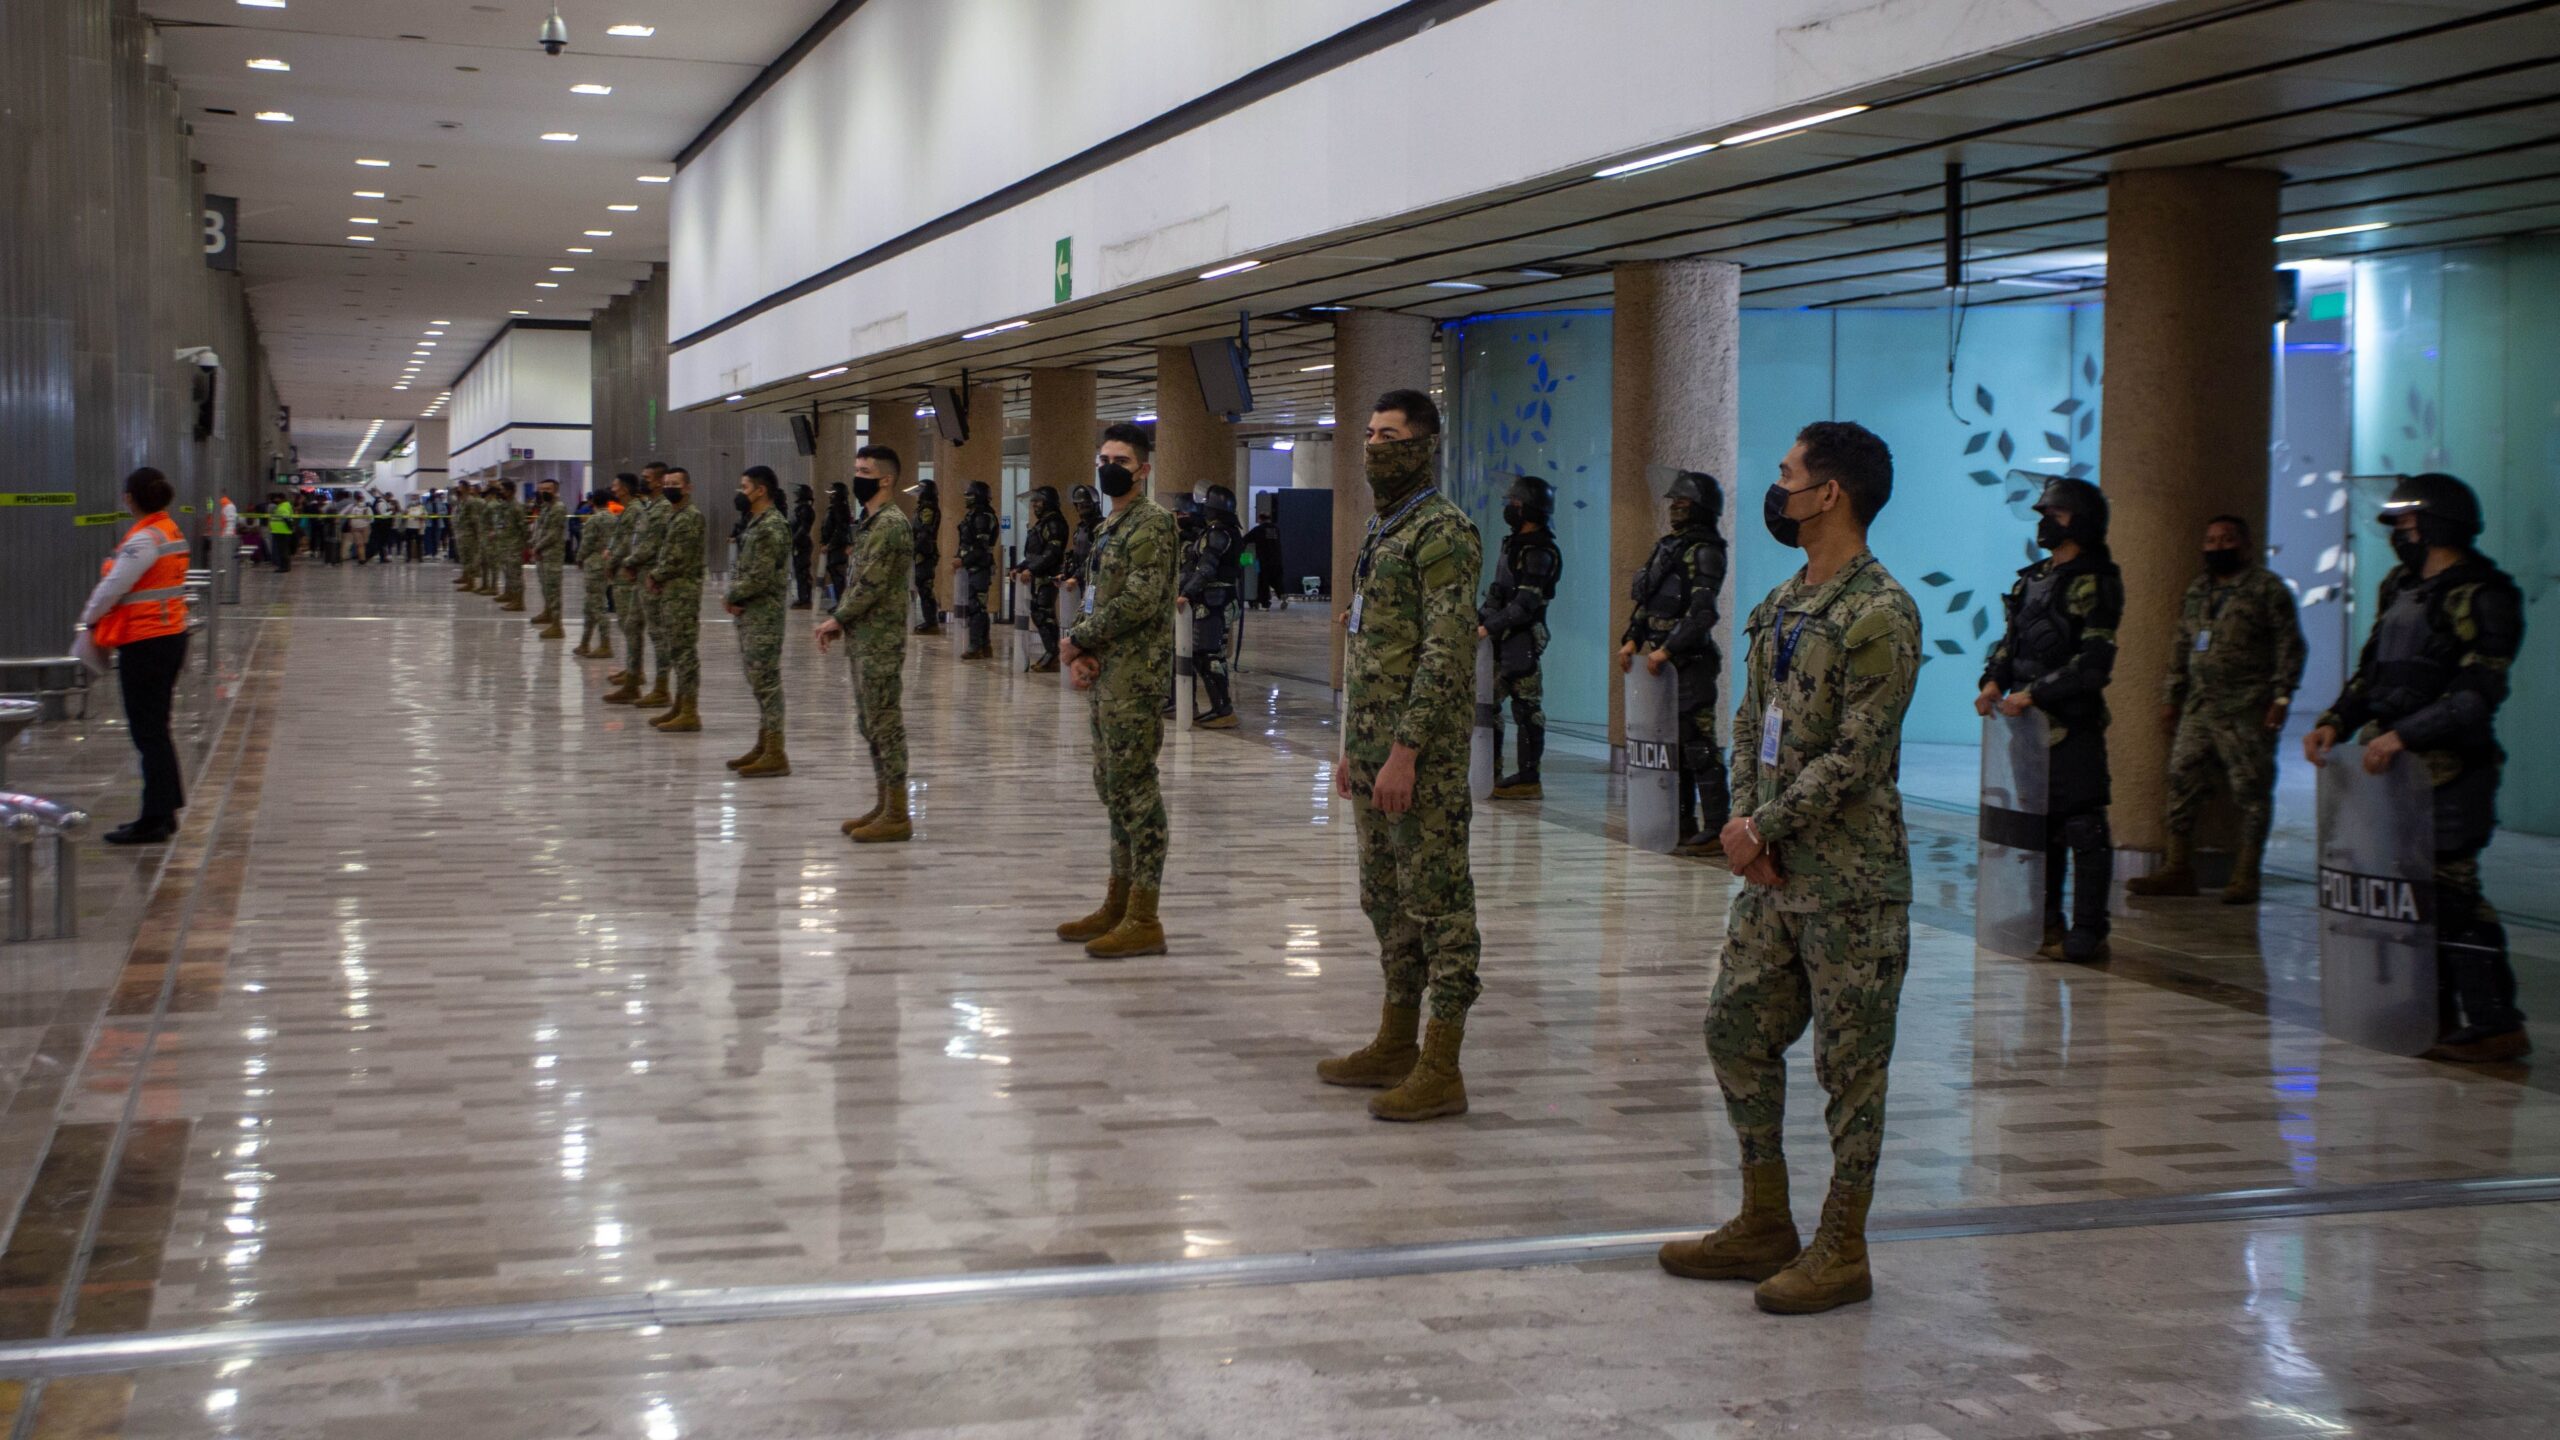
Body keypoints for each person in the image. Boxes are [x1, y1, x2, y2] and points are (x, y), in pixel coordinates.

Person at [1657, 419, 1920, 1316]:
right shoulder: (1779, 603)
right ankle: (1765, 1219)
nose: (1777, 491)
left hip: (1849, 886)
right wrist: (1745, 827)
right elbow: (1747, 721)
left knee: (1852, 1072)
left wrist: (1761, 827)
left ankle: (1843, 1249)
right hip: (1772, 878)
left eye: (1788, 475)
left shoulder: (1879, 611)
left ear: (1830, 493)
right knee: (1735, 1028)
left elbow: (1858, 754)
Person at [2305, 473, 2528, 1063]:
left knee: (2453, 895)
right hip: (2394, 772)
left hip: (2452, 769)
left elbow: (2478, 691)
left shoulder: (2484, 595)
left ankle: (2495, 1022)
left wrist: (2407, 735)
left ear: (2436, 525)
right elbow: (2374, 673)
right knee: (2409, 892)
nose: (2398, 534)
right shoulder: (2401, 587)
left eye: (2406, 523)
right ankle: (2432, 1010)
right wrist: (2336, 721)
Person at [1317, 389, 1482, 1123]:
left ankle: (1441, 1065)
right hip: (1373, 753)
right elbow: (1372, 651)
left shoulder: (1443, 533)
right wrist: (1354, 749)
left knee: (1439, 908)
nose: (1374, 448)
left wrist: (1406, 751)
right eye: (1369, 434)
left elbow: (1445, 654)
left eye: (1389, 436)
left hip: (1422, 761)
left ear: (1424, 445)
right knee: (1385, 902)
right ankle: (1395, 1041)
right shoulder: (1386, 528)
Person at [1977, 476, 2122, 963]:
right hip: (2027, 729)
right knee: (2040, 829)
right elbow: (2012, 642)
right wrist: (1992, 681)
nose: (2045, 522)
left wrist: (2036, 694)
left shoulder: (2095, 581)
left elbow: (2094, 663)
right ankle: (2046, 919)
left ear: (2081, 520)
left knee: (2083, 827)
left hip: (2072, 724)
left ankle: (2089, 929)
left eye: (2054, 514)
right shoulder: (2032, 579)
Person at [2126, 515, 2306, 904]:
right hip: (2200, 706)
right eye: (2211, 540)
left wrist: (2282, 697)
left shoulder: (2267, 589)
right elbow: (2182, 645)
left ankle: (2246, 875)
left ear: (2245, 545)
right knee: (2181, 779)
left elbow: (2290, 645)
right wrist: (2171, 697)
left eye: (2227, 539)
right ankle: (2177, 869)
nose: (2218, 546)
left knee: (2251, 789)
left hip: (2247, 706)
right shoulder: (2198, 590)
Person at [1056, 423, 1178, 957]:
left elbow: (1138, 601)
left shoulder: (1152, 524)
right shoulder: (1111, 525)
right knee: (1112, 786)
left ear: (1143, 470)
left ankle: (1144, 916)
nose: (1110, 468)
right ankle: (1118, 902)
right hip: (1109, 673)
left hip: (1135, 679)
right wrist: (1084, 650)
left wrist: (1078, 640)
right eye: (1104, 459)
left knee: (1135, 791)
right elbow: (1097, 596)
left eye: (1121, 461)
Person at [76, 468, 194, 845]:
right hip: (168, 635)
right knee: (156, 728)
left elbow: (113, 586)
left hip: (147, 642)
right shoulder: (168, 531)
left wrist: (88, 619)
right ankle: (164, 810)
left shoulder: (144, 539)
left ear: (129, 498)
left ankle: (155, 819)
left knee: (148, 731)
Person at [1621, 471, 1730, 851]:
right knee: (1671, 747)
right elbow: (1647, 602)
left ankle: (1715, 827)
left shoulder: (1706, 551)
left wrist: (1668, 649)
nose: (1675, 509)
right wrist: (1632, 639)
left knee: (1698, 745)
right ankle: (1680, 823)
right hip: (1659, 665)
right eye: (1674, 503)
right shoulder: (1667, 547)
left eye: (1683, 503)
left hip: (1690, 663)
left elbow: (1702, 613)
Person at [818, 446, 917, 843]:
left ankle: (898, 813)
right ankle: (884, 803)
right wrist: (845, 621)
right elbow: (858, 581)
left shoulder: (891, 524)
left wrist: (838, 617)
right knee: (869, 722)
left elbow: (871, 583)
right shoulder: (870, 522)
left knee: (884, 722)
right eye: (857, 469)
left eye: (864, 471)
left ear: (886, 479)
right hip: (865, 637)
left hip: (881, 639)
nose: (857, 477)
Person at [1480, 474, 1562, 799]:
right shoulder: (1513, 544)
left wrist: (1488, 627)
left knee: (1527, 707)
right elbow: (1498, 593)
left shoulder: (1540, 551)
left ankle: (1529, 778)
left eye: (1515, 503)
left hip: (1523, 639)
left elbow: (1525, 604)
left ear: (1529, 510)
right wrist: (1479, 621)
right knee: (1486, 704)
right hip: (1500, 637)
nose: (1510, 507)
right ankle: (1489, 770)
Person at [724, 466, 792, 776]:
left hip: (765, 615)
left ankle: (776, 751)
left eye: (745, 487)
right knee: (758, 681)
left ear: (761, 490)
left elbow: (760, 576)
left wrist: (732, 594)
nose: (741, 493)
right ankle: (764, 744)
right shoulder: (756, 522)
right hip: (752, 613)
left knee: (767, 683)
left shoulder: (771, 526)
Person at [1180, 483, 1246, 728]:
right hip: (1213, 600)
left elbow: (1207, 568)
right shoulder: (1220, 531)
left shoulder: (1219, 533)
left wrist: (1186, 593)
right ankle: (1219, 707)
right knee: (1204, 655)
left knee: (1209, 655)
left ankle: (1223, 708)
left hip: (1216, 601)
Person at [646, 467, 705, 732]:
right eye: (667, 484)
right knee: (676, 650)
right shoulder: (675, 515)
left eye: (675, 484)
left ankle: (690, 711)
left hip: (683, 593)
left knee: (684, 652)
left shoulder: (689, 517)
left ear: (688, 488)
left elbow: (677, 557)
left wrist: (655, 575)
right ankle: (680, 705)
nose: (670, 488)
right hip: (672, 592)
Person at [604, 464, 668, 707]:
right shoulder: (649, 506)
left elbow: (650, 544)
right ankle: (632, 680)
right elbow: (635, 540)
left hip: (651, 577)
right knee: (631, 624)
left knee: (657, 634)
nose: (643, 481)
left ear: (660, 481)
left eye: (647, 478)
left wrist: (627, 562)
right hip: (640, 576)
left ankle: (661, 688)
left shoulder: (661, 508)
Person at [1015, 485, 1070, 674]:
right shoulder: (1043, 523)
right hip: (1038, 576)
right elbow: (1034, 553)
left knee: (1044, 614)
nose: (1034, 505)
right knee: (1039, 613)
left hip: (1046, 577)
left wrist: (1031, 568)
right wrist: (1021, 567)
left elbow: (1052, 553)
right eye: (1034, 501)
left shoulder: (1054, 523)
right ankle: (1051, 652)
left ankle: (1053, 653)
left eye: (1038, 501)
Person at [575, 483, 624, 659]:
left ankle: (605, 644)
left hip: (594, 565)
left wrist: (579, 558)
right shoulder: (615, 518)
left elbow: (586, 543)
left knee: (596, 606)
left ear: (593, 502)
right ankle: (584, 642)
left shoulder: (594, 520)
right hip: (608, 563)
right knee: (590, 605)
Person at [955, 479, 999, 659]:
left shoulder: (983, 516)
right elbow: (965, 541)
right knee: (976, 606)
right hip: (972, 567)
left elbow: (981, 547)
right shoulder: (973, 515)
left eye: (970, 494)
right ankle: (984, 645)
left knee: (977, 607)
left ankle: (976, 646)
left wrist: (963, 560)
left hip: (979, 567)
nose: (966, 497)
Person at [529, 480, 568, 638]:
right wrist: (533, 543)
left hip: (552, 554)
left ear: (555, 490)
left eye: (548, 489)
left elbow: (553, 534)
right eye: (542, 489)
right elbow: (540, 528)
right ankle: (548, 612)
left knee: (553, 590)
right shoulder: (545, 507)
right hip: (542, 553)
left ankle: (557, 626)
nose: (544, 492)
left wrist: (537, 547)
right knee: (545, 587)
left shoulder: (558, 508)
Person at [909, 477, 942, 635]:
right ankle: (929, 621)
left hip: (925, 553)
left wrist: (915, 548)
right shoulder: (923, 508)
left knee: (925, 587)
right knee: (922, 587)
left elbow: (924, 532)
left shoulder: (928, 509)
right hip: (921, 552)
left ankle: (931, 622)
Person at [490, 482, 529, 612]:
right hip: (504, 545)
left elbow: (524, 529)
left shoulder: (517, 507)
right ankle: (510, 595)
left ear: (510, 491)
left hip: (514, 546)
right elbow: (502, 524)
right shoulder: (505, 505)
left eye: (502, 490)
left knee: (515, 574)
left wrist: (524, 545)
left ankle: (519, 602)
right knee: (508, 573)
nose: (500, 492)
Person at [1244, 495, 1286, 609]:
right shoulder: (1276, 529)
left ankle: (1265, 602)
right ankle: (1282, 596)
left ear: (1259, 519)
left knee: (1263, 582)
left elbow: (1245, 539)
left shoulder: (1258, 529)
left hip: (1263, 561)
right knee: (1277, 580)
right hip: (1277, 560)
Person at [822, 481, 852, 603]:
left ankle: (841, 602)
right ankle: (839, 602)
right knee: (834, 574)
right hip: (834, 547)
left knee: (838, 575)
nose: (830, 496)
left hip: (838, 547)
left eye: (833, 493)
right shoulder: (835, 508)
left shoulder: (840, 508)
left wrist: (830, 544)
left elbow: (840, 529)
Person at [789, 483, 818, 610]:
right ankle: (802, 598)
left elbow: (804, 528)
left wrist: (794, 540)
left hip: (802, 544)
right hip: (798, 543)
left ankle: (805, 599)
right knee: (799, 572)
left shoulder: (806, 509)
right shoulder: (800, 509)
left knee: (803, 572)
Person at [269, 490, 298, 574]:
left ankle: (284, 567)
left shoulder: (283, 507)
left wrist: (291, 528)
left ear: (281, 499)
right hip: (281, 531)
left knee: (283, 550)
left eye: (276, 498)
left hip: (282, 531)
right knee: (283, 550)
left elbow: (287, 519)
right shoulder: (283, 506)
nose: (275, 500)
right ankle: (285, 566)